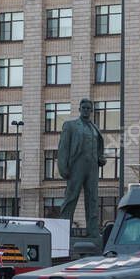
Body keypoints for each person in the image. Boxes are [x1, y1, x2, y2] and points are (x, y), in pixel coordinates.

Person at [57, 98, 107, 237]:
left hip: (92, 167)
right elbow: (63, 148)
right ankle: (63, 231)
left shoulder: (95, 128)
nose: (86, 110)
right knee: (71, 197)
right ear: (79, 109)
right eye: (83, 108)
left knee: (93, 199)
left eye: (88, 108)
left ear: (91, 110)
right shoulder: (70, 126)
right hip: (76, 166)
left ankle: (93, 231)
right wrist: (63, 168)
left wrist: (100, 158)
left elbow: (98, 149)